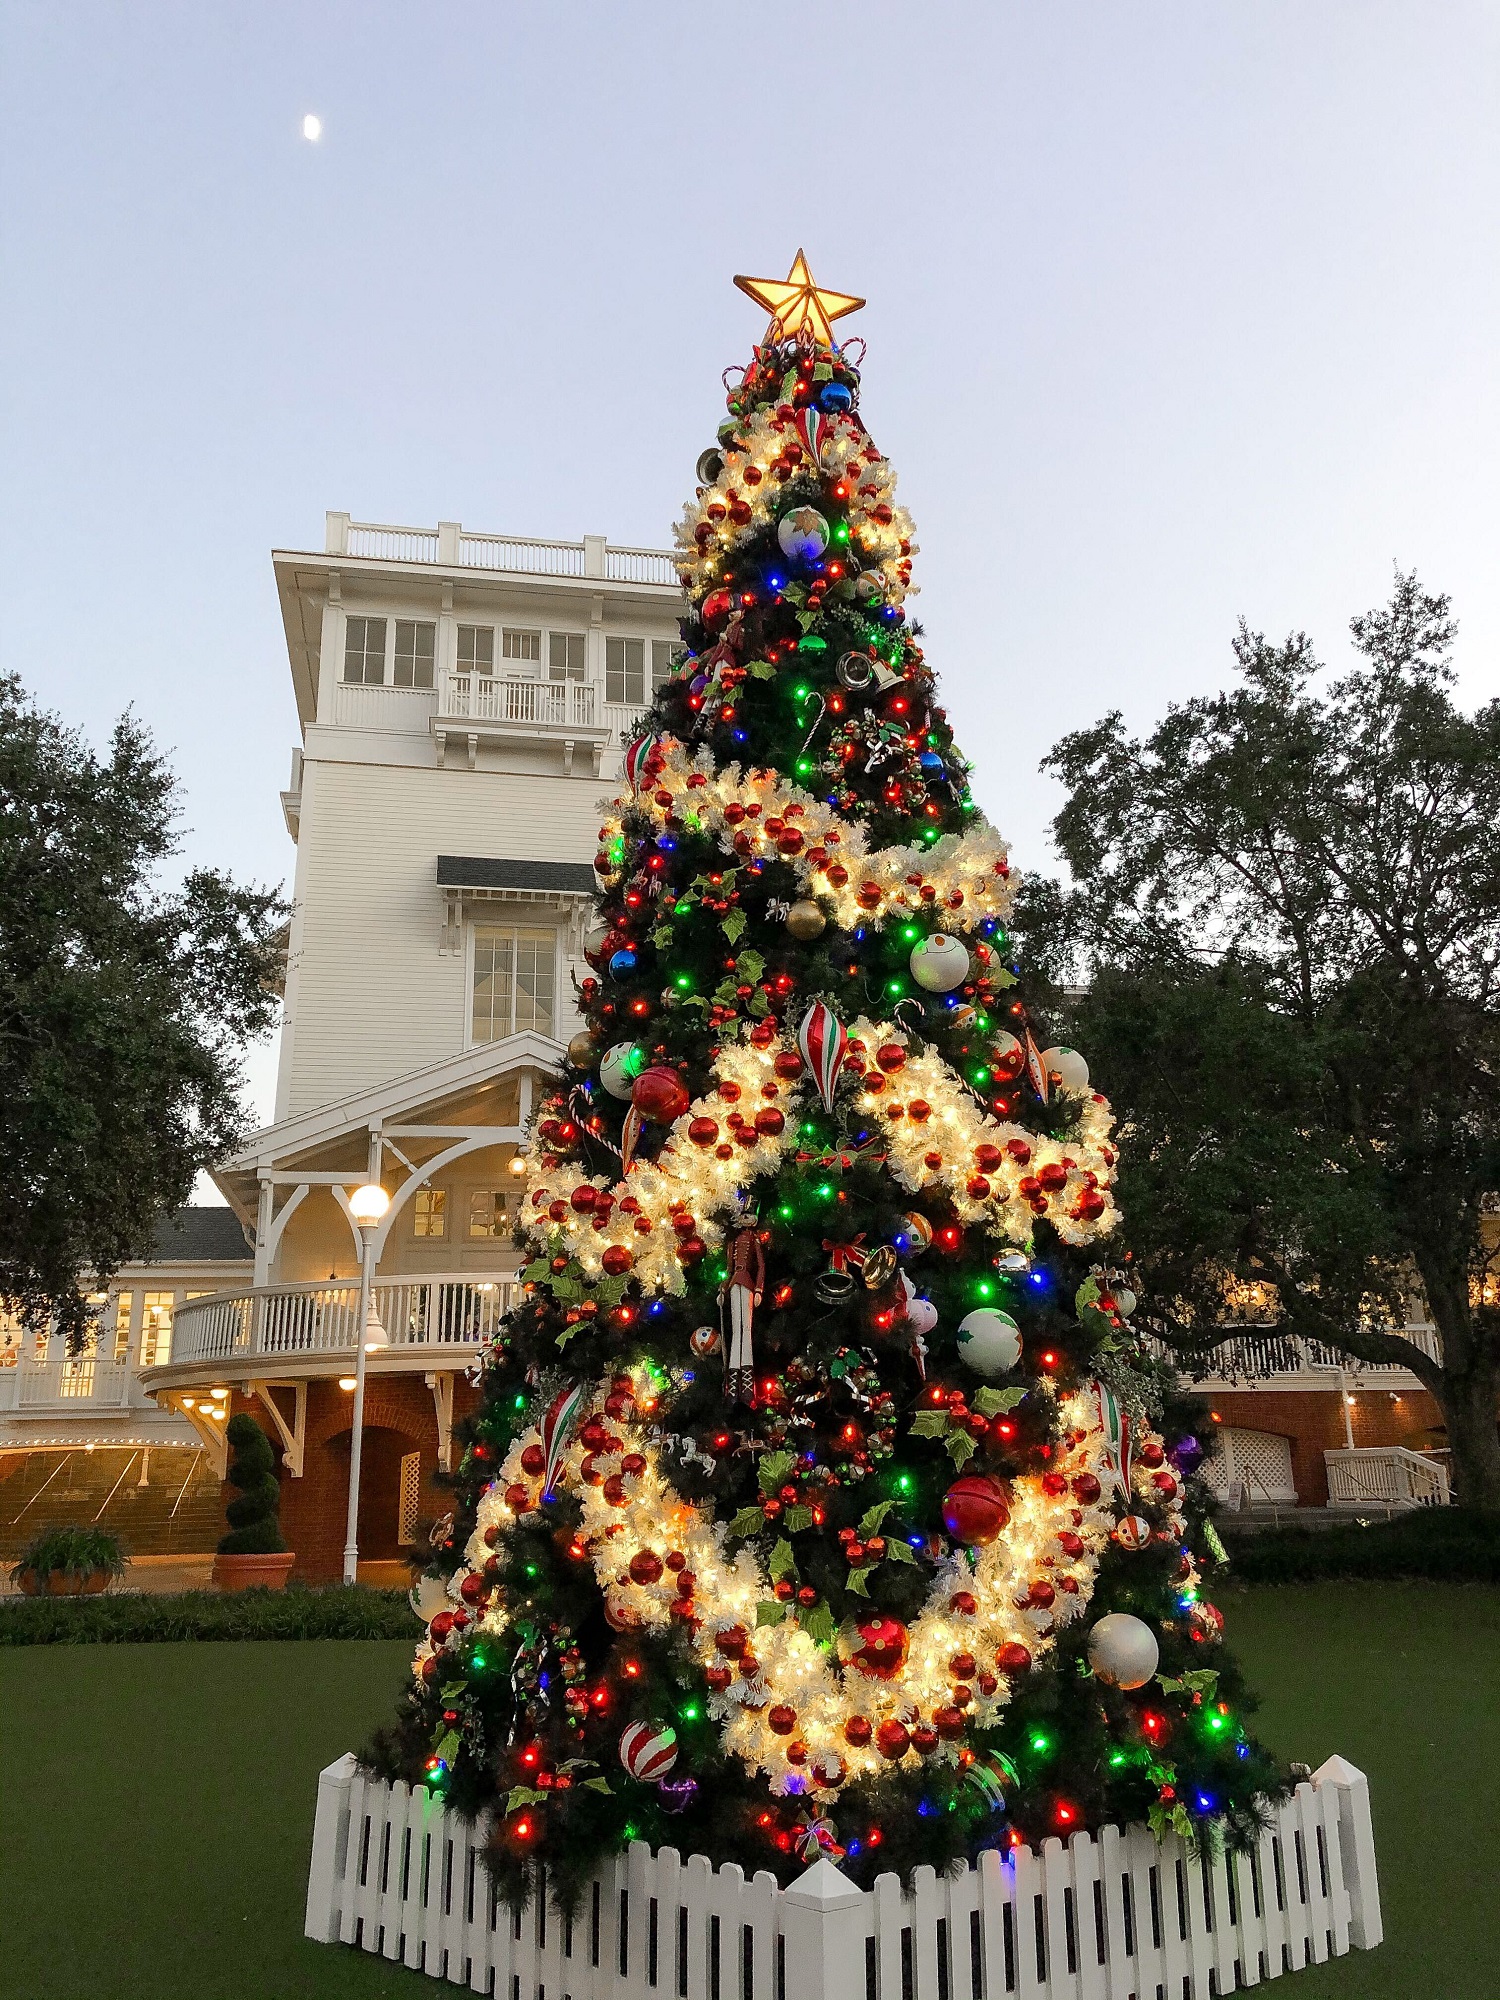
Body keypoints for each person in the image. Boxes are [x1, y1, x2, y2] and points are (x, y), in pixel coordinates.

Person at [721, 1208, 766, 1406]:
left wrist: (758, 1289)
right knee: (736, 1332)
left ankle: (747, 1384)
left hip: (748, 1282)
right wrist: (722, 1290)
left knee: (746, 1329)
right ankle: (733, 1382)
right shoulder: (732, 1243)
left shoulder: (754, 1240)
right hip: (734, 1284)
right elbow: (728, 1269)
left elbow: (761, 1266)